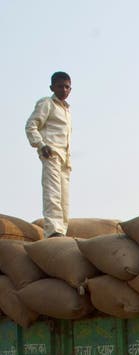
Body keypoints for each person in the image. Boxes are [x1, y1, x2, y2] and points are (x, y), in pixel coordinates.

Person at [25, 72, 72, 238]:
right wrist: (41, 144)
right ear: (52, 87)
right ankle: (53, 231)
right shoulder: (47, 103)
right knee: (52, 193)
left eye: (67, 87)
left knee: (64, 198)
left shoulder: (66, 110)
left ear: (70, 89)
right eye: (60, 86)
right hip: (51, 153)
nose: (64, 89)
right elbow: (31, 125)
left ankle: (61, 231)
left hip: (65, 159)